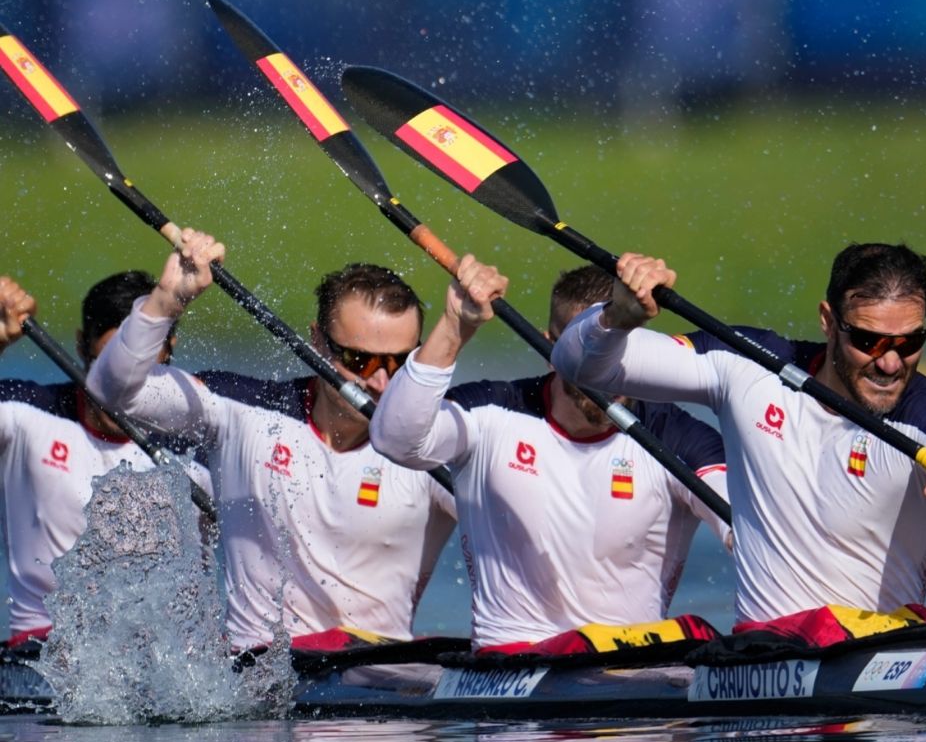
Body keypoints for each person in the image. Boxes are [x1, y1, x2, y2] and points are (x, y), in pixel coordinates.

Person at [550, 242, 926, 628]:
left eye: (910, 342)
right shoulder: (750, 363)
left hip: (882, 665)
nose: (891, 363)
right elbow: (578, 364)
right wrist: (617, 316)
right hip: (764, 661)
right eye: (869, 342)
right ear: (828, 322)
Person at [87, 229, 456, 652]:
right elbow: (110, 390)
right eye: (359, 360)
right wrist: (168, 300)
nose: (380, 381)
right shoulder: (240, 412)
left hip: (384, 682)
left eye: (401, 362)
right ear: (317, 343)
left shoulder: (434, 445)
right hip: (261, 681)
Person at [369, 256, 730, 652]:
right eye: (584, 351)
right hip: (507, 671)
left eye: (615, 350)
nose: (598, 369)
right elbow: (395, 439)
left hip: (634, 672)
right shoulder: (490, 412)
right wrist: (456, 326)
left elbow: (755, 533)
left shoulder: (677, 439)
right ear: (548, 348)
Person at [0, 270, 198, 647]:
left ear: (169, 345)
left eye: (142, 372)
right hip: (39, 654)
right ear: (80, 345)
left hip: (160, 668)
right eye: (108, 366)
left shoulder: (196, 448)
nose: (121, 391)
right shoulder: (23, 413)